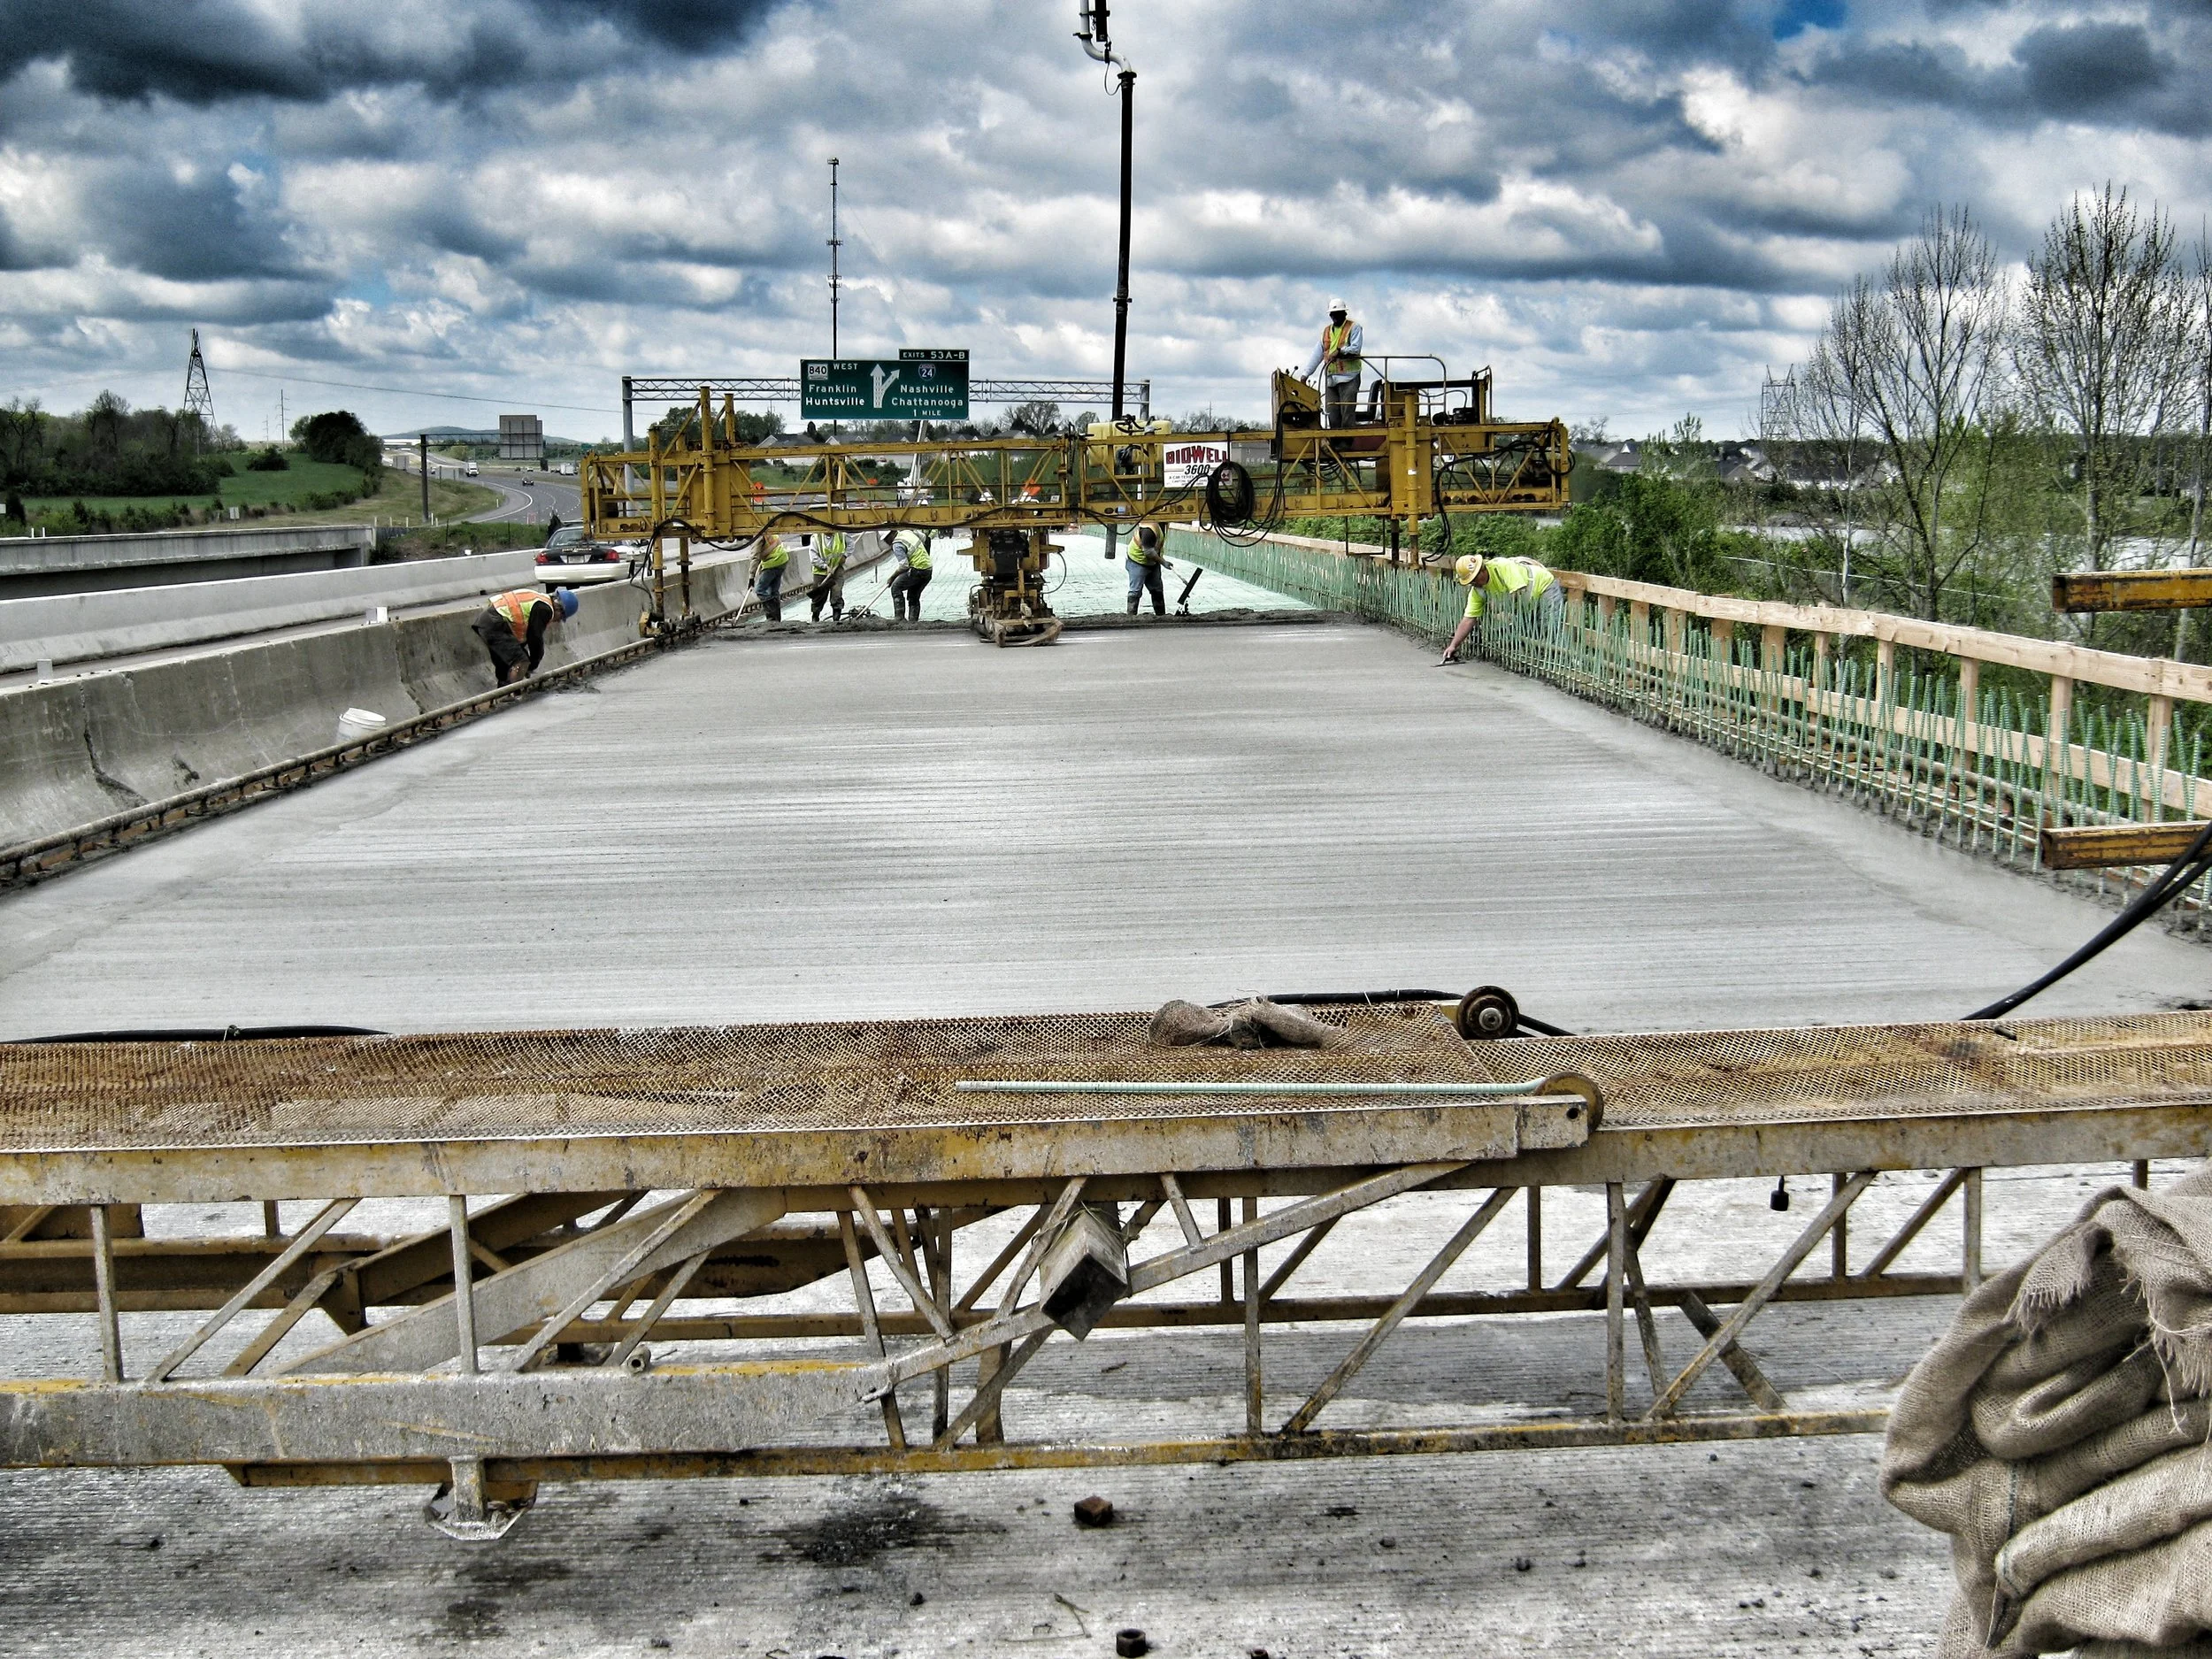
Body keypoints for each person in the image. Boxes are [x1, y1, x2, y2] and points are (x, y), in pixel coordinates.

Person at [1439, 552, 1563, 664]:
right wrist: (1453, 645)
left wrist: (1500, 608)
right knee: (1530, 631)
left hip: (1544, 587)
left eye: (1475, 579)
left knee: (1549, 627)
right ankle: (1538, 661)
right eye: (1470, 582)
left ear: (1482, 569)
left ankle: (1555, 662)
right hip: (1526, 602)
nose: (1474, 583)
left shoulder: (1502, 567)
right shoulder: (1478, 591)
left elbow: (1518, 591)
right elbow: (1469, 619)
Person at [472, 586, 577, 686]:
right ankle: (511, 693)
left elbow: (525, 634)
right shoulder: (545, 609)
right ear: (560, 610)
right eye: (559, 618)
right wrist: (534, 662)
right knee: (521, 661)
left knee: (506, 661)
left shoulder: (540, 600)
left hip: (487, 622)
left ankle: (503, 692)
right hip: (495, 623)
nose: (557, 621)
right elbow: (535, 638)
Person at [1301, 297, 1364, 429]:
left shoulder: (1354, 327)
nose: (1335, 316)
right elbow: (1317, 354)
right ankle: (1335, 442)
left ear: (1344, 314)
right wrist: (1305, 374)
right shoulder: (1326, 332)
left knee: (1347, 412)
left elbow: (1355, 348)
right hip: (1331, 379)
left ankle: (1346, 443)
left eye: (1338, 313)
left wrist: (1339, 352)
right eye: (1333, 314)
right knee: (1332, 413)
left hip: (1349, 377)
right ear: (1330, 315)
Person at [887, 528, 933, 621]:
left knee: (896, 587)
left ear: (890, 536)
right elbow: (925, 538)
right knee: (913, 595)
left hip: (917, 570)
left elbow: (904, 565)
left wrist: (892, 577)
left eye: (885, 540)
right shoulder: (907, 532)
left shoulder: (897, 544)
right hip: (928, 569)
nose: (886, 543)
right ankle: (913, 622)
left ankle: (899, 619)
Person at [1125, 523, 1171, 616]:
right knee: (1135, 592)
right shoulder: (1148, 530)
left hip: (1153, 563)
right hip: (1138, 561)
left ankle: (1161, 616)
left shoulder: (1160, 526)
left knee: (1157, 590)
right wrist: (1163, 562)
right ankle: (1131, 617)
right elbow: (1148, 552)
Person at [809, 532, 849, 622]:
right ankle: (815, 616)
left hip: (836, 569)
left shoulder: (841, 535)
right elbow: (813, 557)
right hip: (820, 572)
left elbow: (850, 545)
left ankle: (836, 617)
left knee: (837, 593)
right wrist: (825, 566)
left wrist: (845, 556)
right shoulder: (816, 538)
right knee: (819, 596)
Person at [753, 533, 790, 620]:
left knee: (760, 590)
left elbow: (755, 557)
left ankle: (772, 617)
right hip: (782, 560)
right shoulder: (770, 531)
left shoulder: (758, 536)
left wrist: (751, 576)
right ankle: (777, 618)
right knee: (774, 591)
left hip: (773, 562)